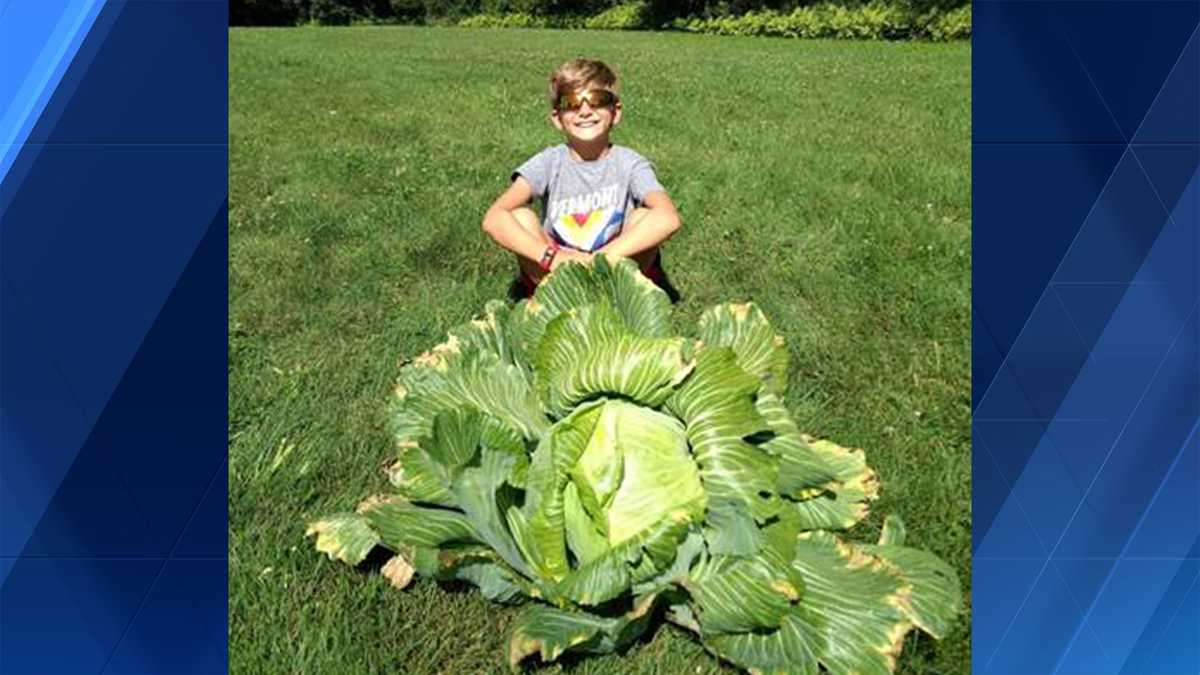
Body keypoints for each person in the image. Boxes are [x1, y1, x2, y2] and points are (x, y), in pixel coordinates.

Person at [481, 58, 682, 300]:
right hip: (557, 272)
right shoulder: (548, 162)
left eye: (598, 100)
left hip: (614, 270)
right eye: (572, 103)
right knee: (519, 217)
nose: (585, 111)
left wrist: (598, 261)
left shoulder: (630, 163)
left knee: (645, 216)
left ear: (616, 112)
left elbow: (668, 218)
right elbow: (494, 217)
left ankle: (623, 298)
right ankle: (549, 299)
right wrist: (553, 257)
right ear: (557, 118)